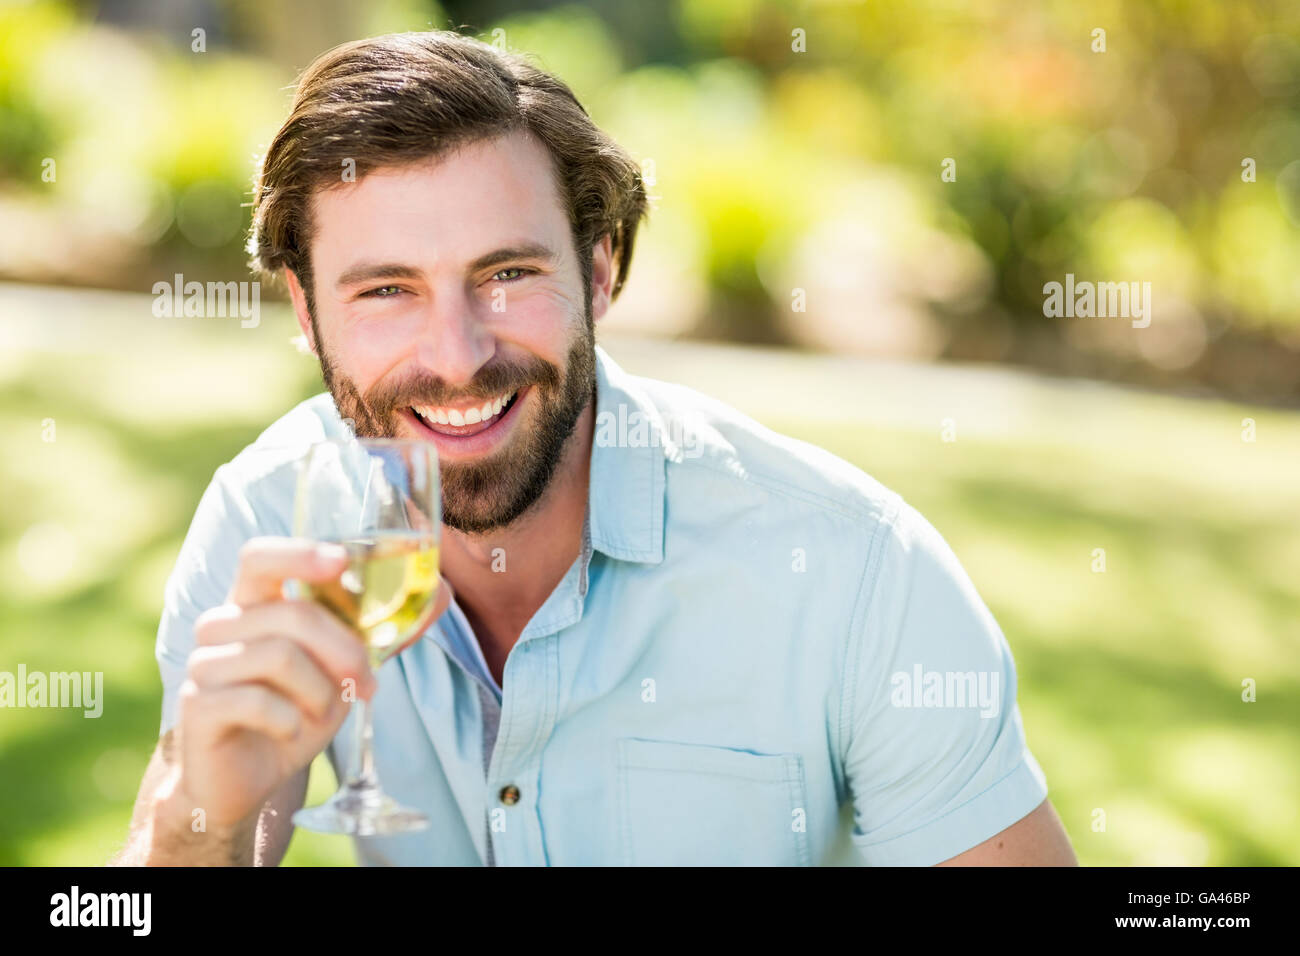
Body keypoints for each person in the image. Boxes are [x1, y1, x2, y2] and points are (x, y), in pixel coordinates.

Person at [114, 30, 1077, 866]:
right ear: (306, 310)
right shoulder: (263, 528)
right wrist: (197, 818)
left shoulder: (857, 573)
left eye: (506, 273)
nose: (457, 357)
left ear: (600, 269)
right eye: (385, 291)